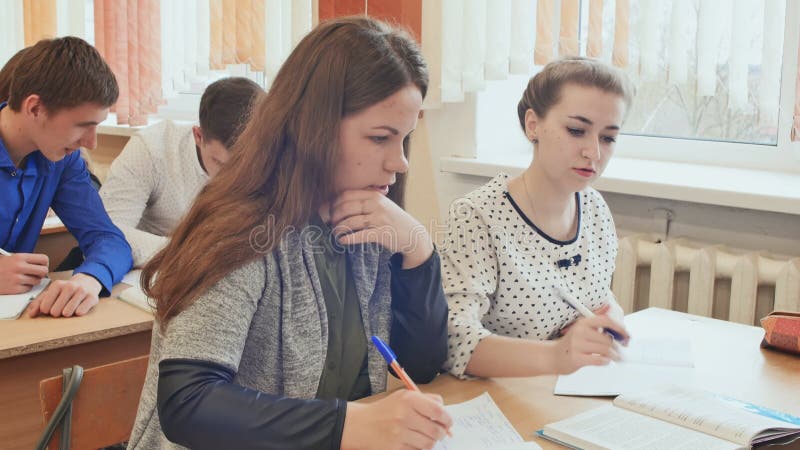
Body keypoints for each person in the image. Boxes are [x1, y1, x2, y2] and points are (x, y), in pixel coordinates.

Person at [128, 17, 452, 450]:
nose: (400, 162)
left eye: (404, 139)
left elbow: (420, 367)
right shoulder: (238, 227)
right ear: (313, 127)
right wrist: (348, 426)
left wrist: (419, 249)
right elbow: (188, 402)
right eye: (380, 138)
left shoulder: (369, 220)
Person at [442, 57, 634, 379]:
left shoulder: (595, 208)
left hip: (569, 391)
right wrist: (558, 356)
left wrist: (611, 315)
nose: (594, 153)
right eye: (576, 131)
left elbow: (596, 298)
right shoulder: (477, 217)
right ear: (533, 125)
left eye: (608, 137)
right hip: (498, 396)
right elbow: (453, 341)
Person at [0, 37, 132, 318]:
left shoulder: (62, 161)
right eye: (83, 126)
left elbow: (109, 239)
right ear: (35, 108)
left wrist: (90, 279)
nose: (92, 143)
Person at [100, 77, 263, 267]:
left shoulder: (273, 155)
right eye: (221, 164)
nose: (236, 176)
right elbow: (107, 230)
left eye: (247, 164)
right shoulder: (151, 149)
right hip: (156, 270)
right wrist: (191, 253)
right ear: (198, 136)